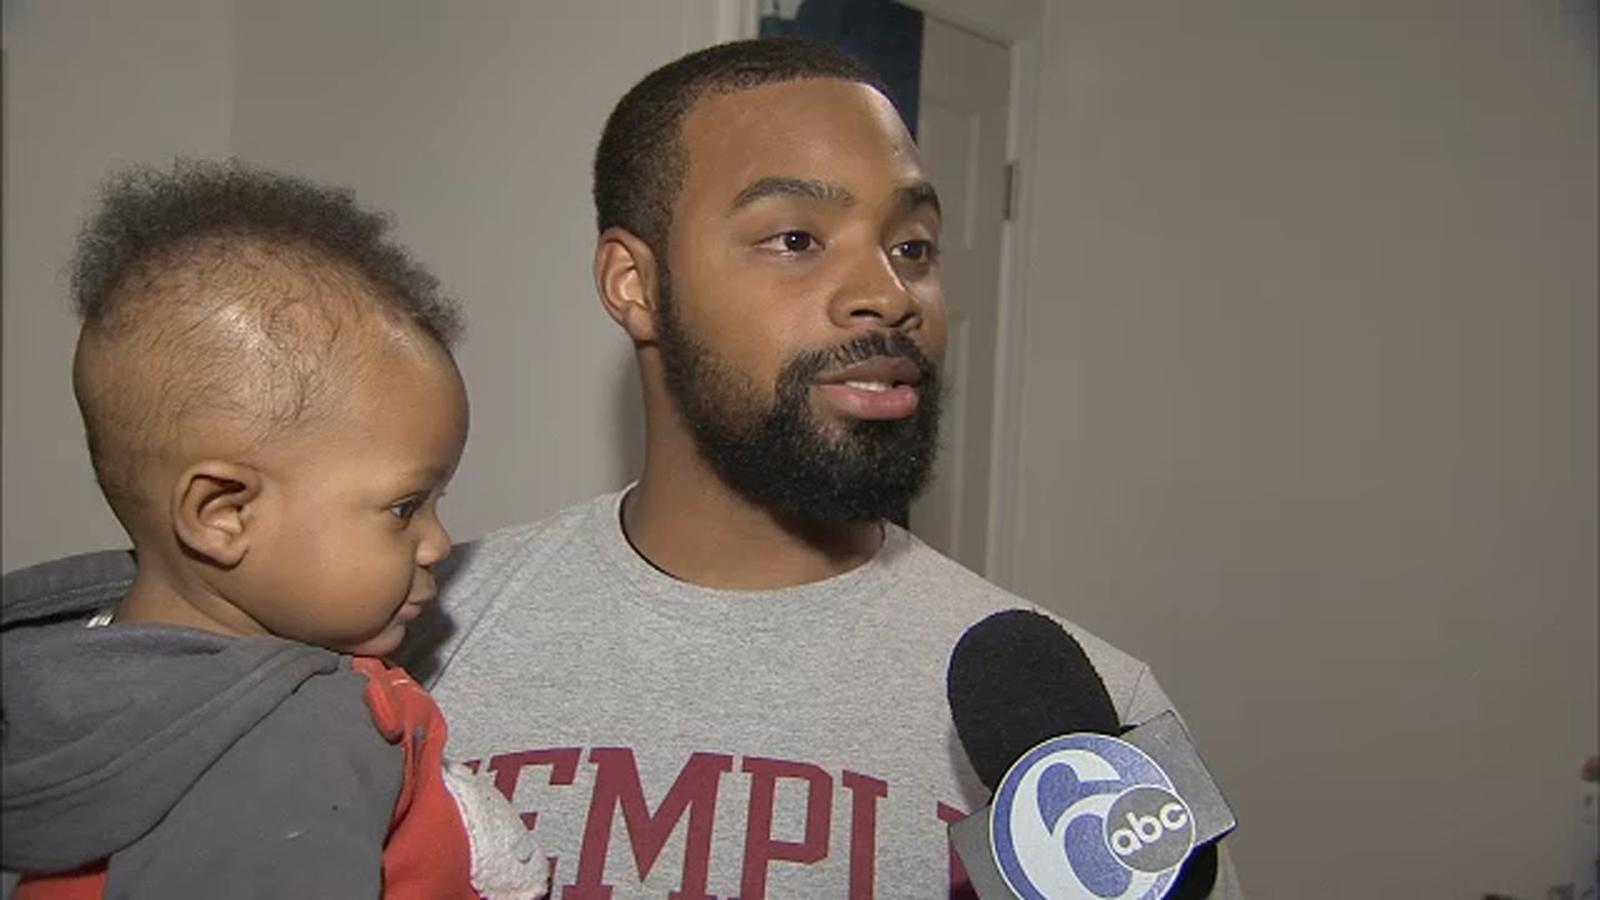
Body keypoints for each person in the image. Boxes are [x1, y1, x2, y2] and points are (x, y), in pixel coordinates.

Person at [3, 38, 1243, 897]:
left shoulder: (1092, 715)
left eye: (913, 243)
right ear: (633, 281)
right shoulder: (392, 632)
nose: (887, 292)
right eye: (797, 237)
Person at [0, 162, 547, 900]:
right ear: (223, 515)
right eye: (403, 507)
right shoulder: (284, 741)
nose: (437, 544)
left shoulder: (84, 669)